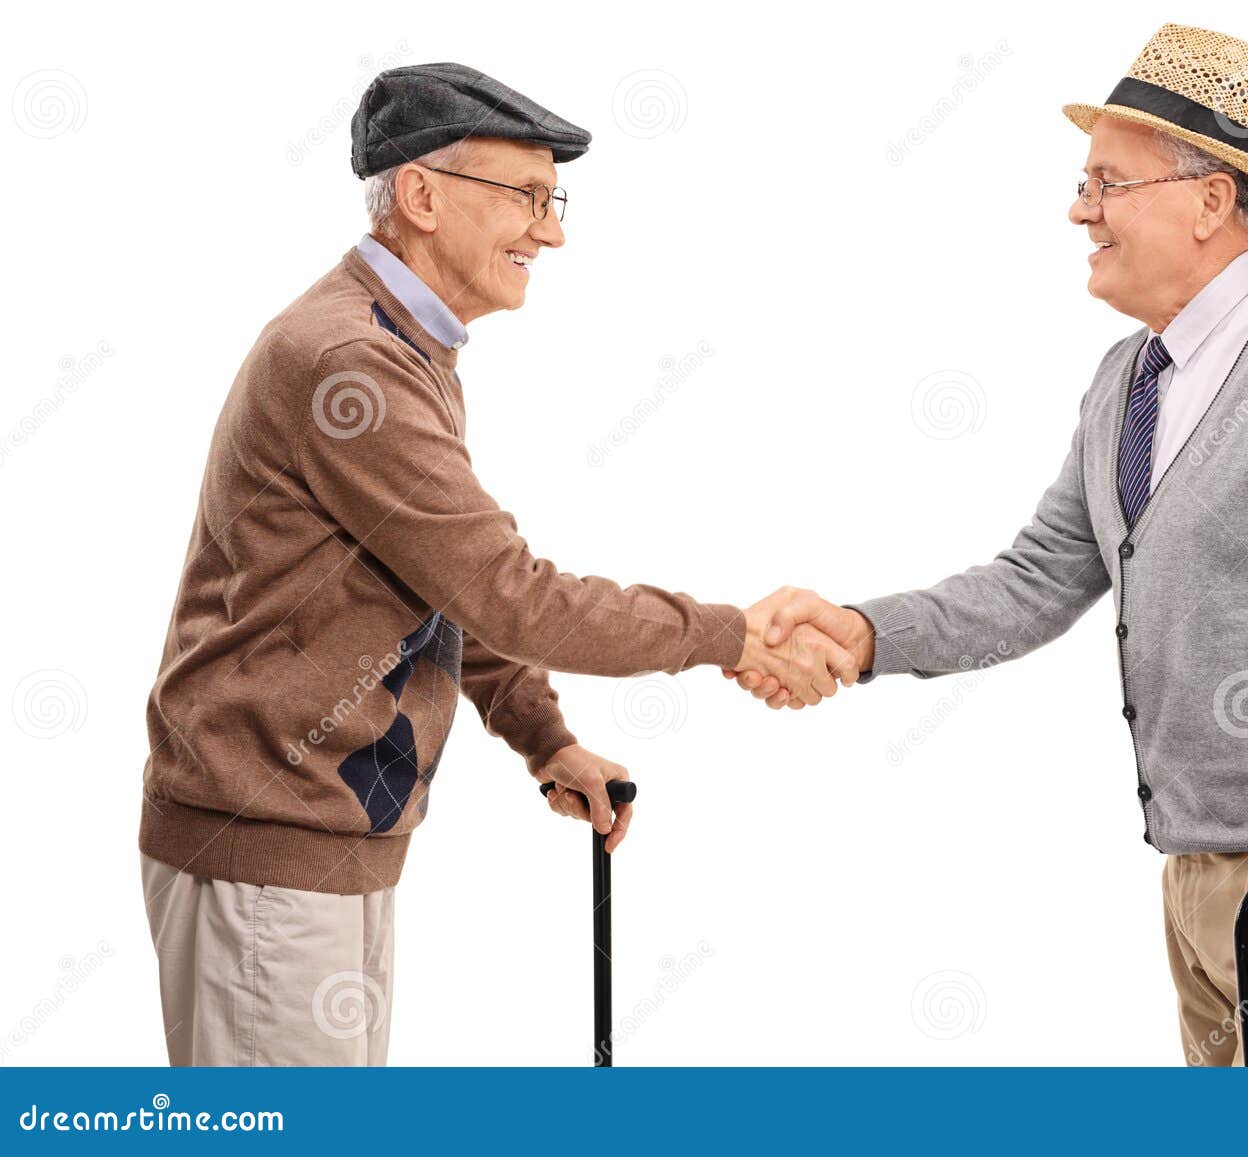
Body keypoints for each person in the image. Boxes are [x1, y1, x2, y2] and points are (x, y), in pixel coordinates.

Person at [730, 25, 1248, 1066]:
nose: (1077, 209)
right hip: (1211, 875)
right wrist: (861, 633)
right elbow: (1036, 578)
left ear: (1210, 199)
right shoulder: (1126, 379)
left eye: (1105, 182)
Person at [138, 62, 855, 1066]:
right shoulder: (354, 360)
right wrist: (731, 633)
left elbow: (436, 582)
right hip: (269, 850)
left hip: (315, 845)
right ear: (422, 197)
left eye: (551, 199)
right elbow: (504, 591)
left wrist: (543, 736)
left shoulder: (400, 345)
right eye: (526, 196)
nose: (550, 230)